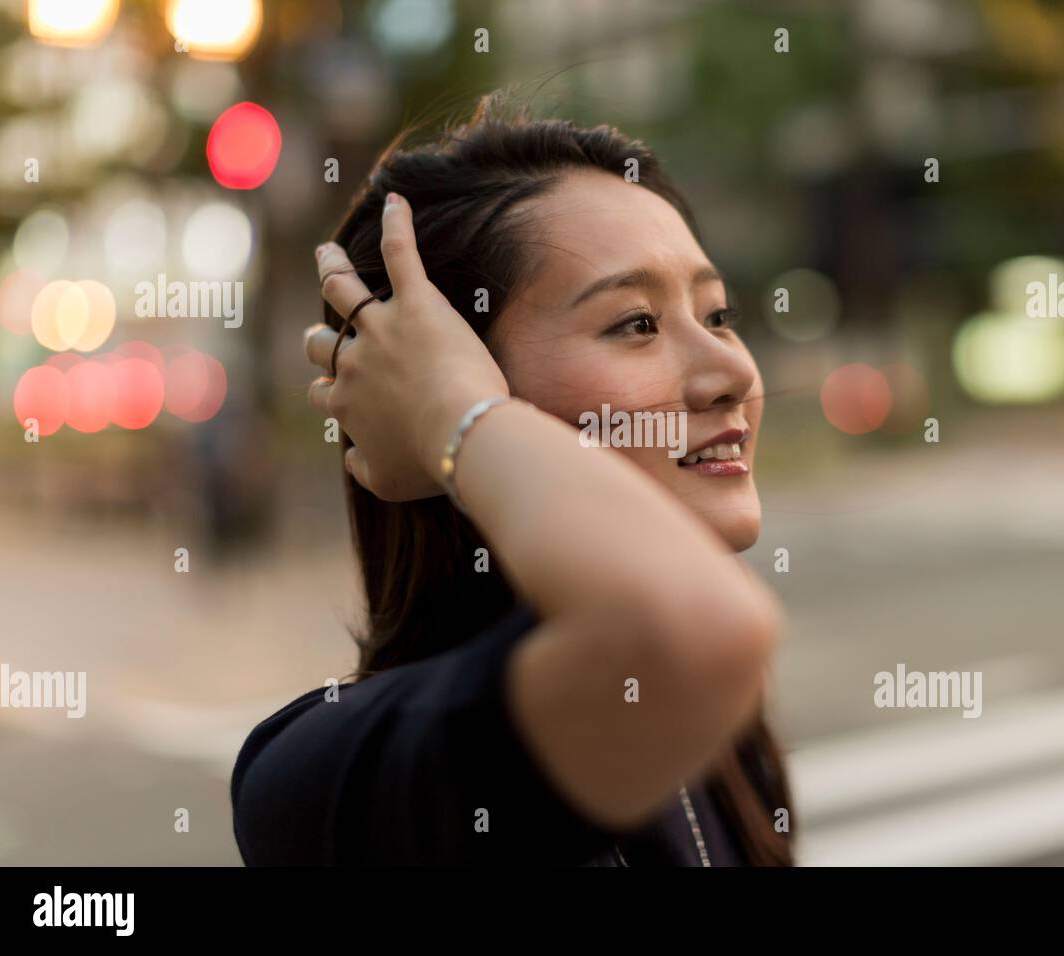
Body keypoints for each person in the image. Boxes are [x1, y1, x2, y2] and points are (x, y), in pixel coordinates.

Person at [230, 90, 794, 866]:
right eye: (637, 323)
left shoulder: (715, 732)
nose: (731, 370)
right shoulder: (332, 774)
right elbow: (691, 631)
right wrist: (457, 416)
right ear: (437, 382)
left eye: (718, 315)